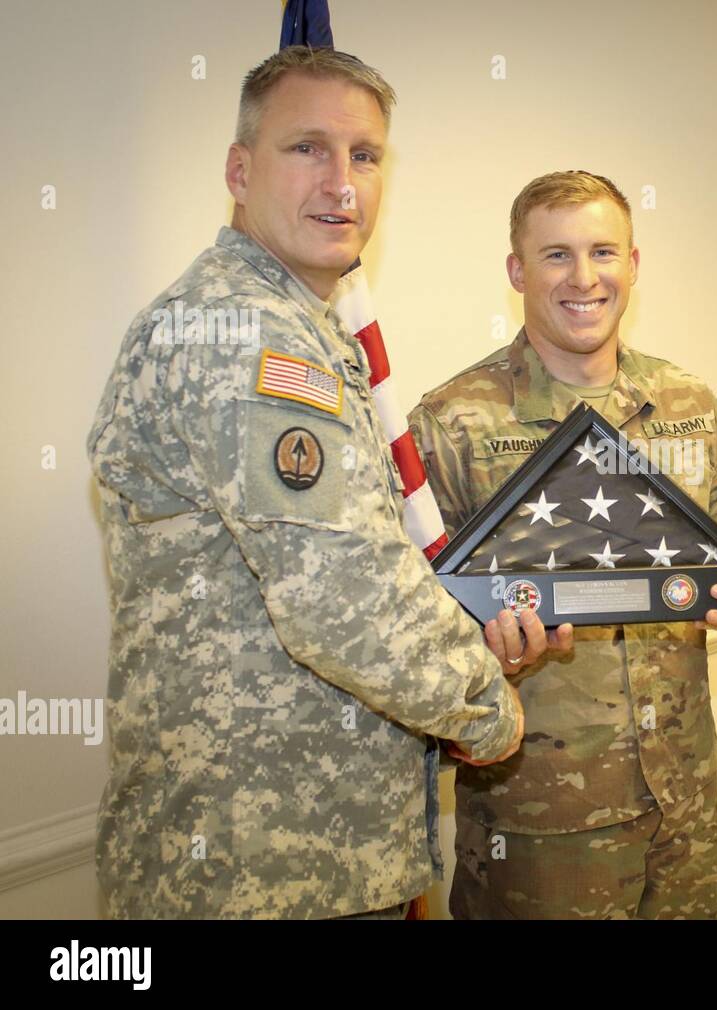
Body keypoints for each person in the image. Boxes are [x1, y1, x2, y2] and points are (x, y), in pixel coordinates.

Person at [86, 46, 568, 919]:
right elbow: (339, 596)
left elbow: (358, 561)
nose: (341, 183)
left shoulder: (298, 327)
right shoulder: (240, 334)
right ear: (239, 169)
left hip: (312, 856)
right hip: (256, 873)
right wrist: (484, 703)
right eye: (307, 148)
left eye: (366, 155)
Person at [409, 170, 717, 919]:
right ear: (517, 271)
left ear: (634, 264)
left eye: (603, 253)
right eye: (556, 256)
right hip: (538, 834)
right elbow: (411, 624)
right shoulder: (452, 424)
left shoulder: (689, 406)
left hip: (682, 811)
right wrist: (482, 654)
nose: (584, 279)